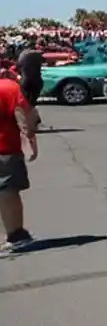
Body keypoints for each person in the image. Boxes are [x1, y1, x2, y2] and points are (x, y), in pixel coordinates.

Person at [0, 73, 38, 255]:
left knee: (7, 192)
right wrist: (30, 138)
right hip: (6, 149)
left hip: (6, 149)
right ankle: (16, 234)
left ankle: (16, 234)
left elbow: (24, 116)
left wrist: (29, 137)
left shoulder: (7, 88)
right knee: (7, 192)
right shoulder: (9, 87)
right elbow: (25, 116)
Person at [16, 48, 44, 128]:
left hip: (26, 81)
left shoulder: (22, 56)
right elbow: (44, 60)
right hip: (37, 81)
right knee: (32, 103)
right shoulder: (37, 56)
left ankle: (26, 122)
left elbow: (18, 66)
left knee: (24, 102)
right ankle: (34, 122)